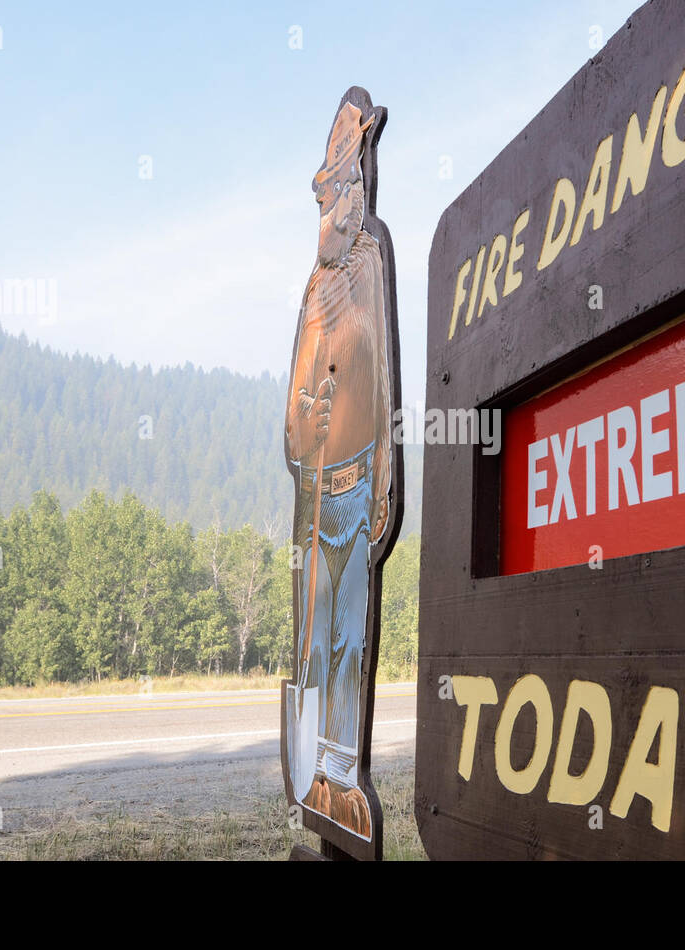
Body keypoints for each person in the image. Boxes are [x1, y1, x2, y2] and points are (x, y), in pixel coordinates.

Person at [283, 99, 391, 840]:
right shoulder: (313, 294)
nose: (340, 209)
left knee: (353, 633)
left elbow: (382, 382)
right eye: (331, 194)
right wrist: (304, 425)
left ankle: (343, 771)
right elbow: (294, 406)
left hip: (358, 481)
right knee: (314, 634)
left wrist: (383, 475)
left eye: (348, 192)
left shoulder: (371, 267)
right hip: (318, 492)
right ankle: (308, 768)